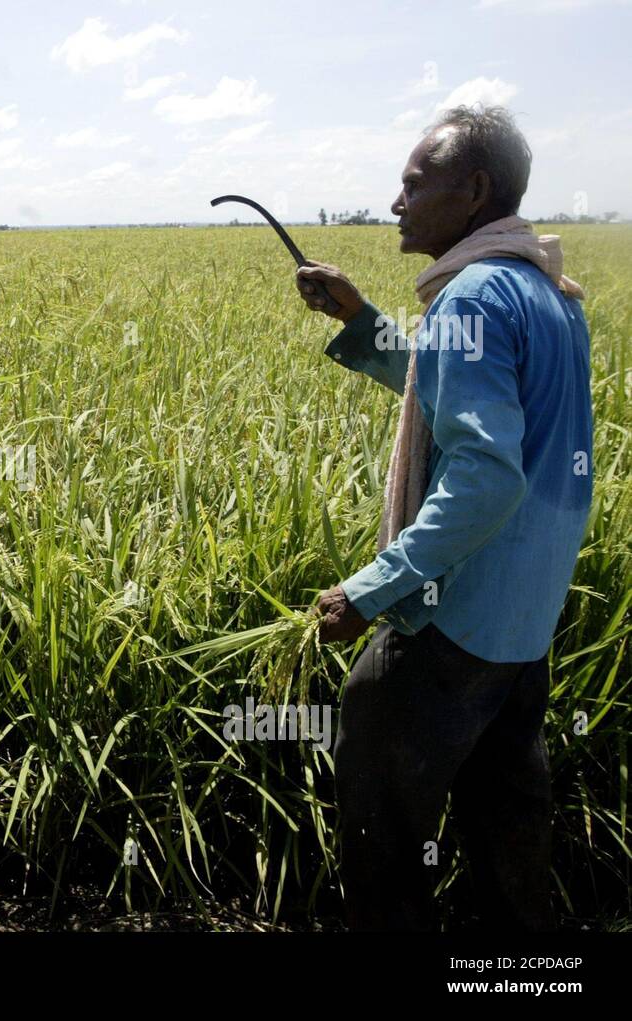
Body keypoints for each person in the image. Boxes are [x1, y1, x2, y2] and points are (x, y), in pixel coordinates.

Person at [294, 104, 593, 931]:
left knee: (381, 829)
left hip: (454, 623)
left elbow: (485, 478)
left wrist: (373, 588)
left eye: (414, 184)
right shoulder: (548, 293)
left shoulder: (472, 296)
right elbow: (455, 394)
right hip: (525, 625)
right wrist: (359, 321)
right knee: (508, 836)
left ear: (474, 191)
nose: (396, 202)